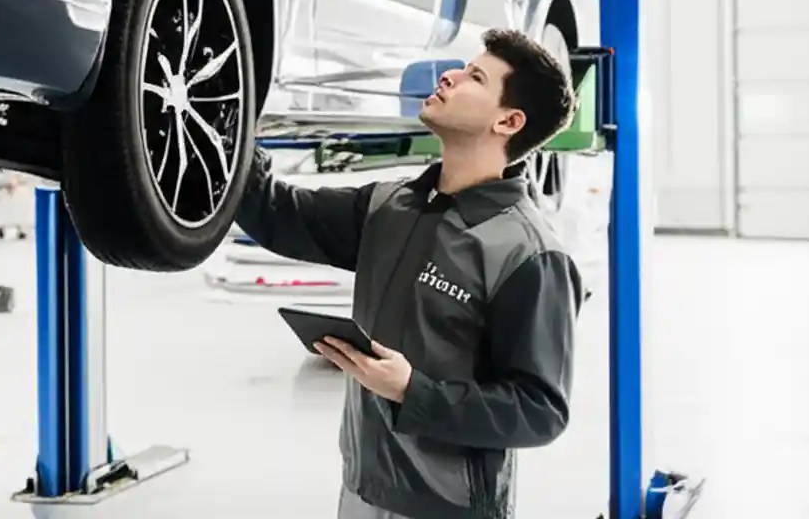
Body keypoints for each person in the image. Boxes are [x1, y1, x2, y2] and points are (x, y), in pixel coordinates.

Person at [234, 28, 586, 518]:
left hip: (447, 508)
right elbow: (276, 213)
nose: (450, 76)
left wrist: (410, 390)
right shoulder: (390, 205)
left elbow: (539, 410)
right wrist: (236, 108)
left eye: (475, 77)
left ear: (508, 121)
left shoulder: (529, 253)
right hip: (362, 489)